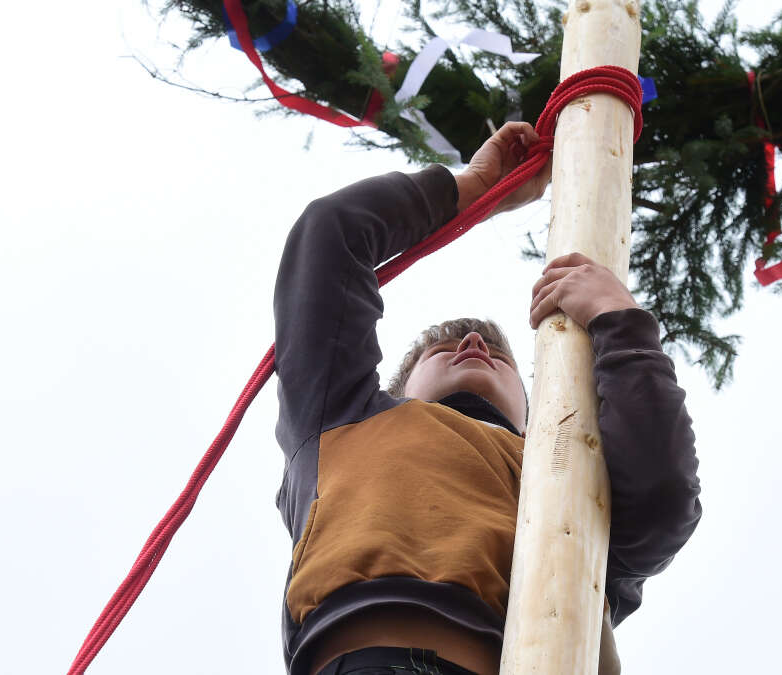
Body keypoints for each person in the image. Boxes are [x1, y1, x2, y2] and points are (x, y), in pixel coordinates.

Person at [273, 121, 702, 675]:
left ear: (532, 409)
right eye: (443, 348)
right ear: (396, 392)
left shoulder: (571, 478)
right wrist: (471, 190)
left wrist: (620, 323)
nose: (474, 343)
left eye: (498, 352)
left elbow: (663, 500)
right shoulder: (343, 417)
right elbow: (332, 235)